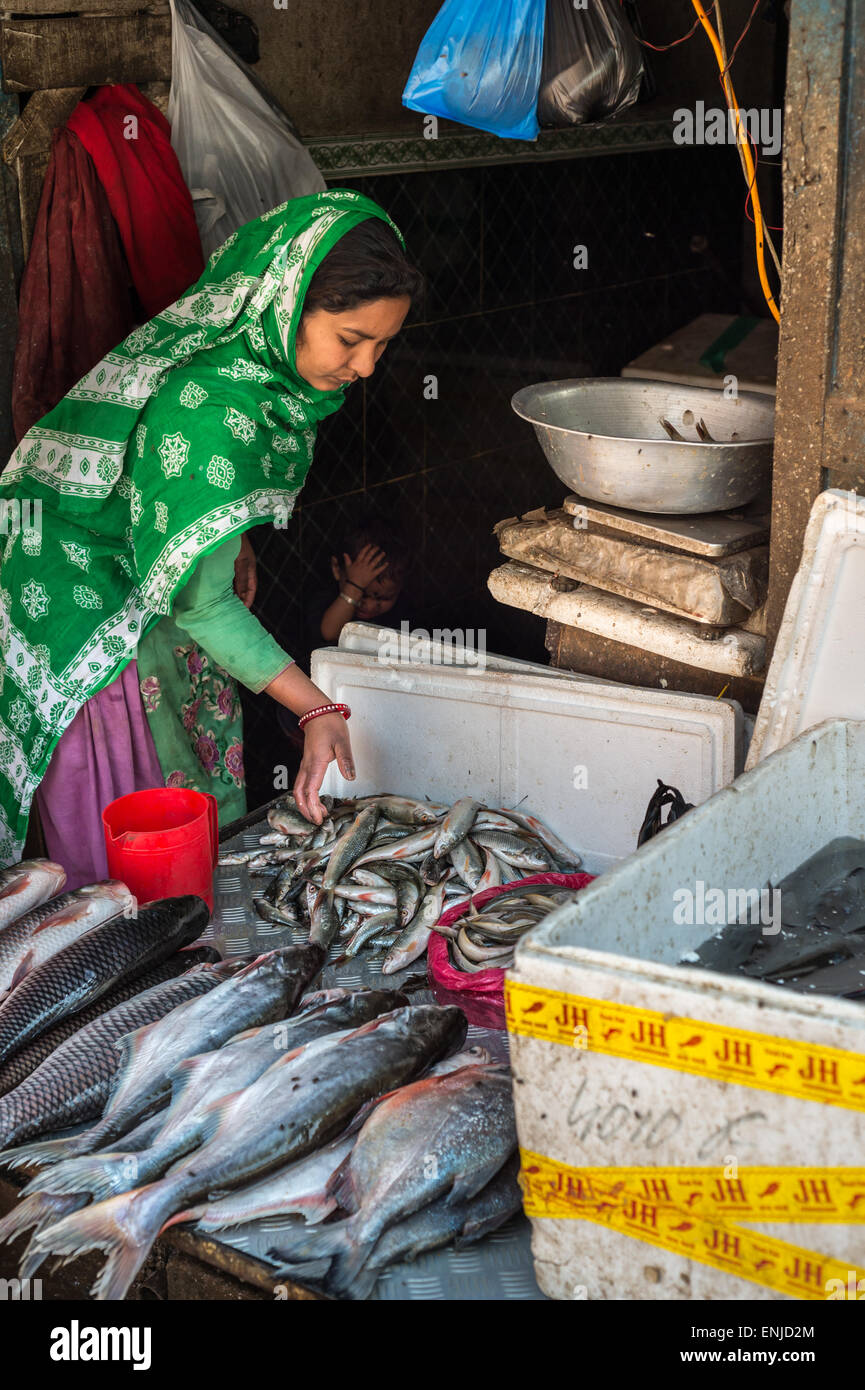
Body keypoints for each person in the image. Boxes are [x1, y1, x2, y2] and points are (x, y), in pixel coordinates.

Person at [0, 189, 423, 883]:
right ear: (288, 308)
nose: (368, 367)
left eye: (384, 343)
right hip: (92, 623)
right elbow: (200, 605)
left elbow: (177, 489)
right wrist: (317, 708)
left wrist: (225, 535)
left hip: (112, 581)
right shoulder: (216, 417)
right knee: (132, 874)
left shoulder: (242, 363)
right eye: (352, 340)